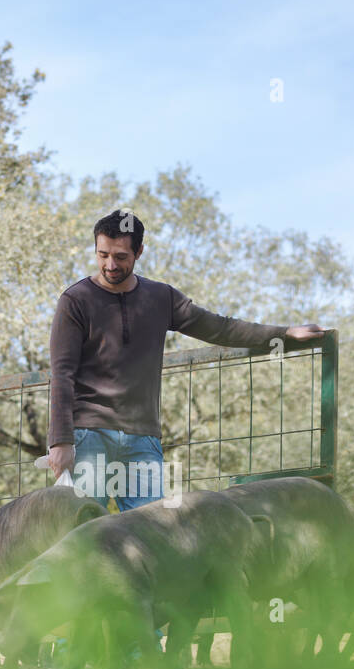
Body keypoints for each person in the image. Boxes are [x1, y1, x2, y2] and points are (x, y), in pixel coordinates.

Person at [47, 209, 327, 508]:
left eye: (120, 256)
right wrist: (60, 441)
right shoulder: (75, 301)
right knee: (85, 535)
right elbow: (62, 374)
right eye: (102, 255)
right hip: (89, 436)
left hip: (143, 438)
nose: (110, 265)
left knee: (151, 538)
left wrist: (284, 333)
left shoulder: (161, 298)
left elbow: (220, 327)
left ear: (139, 252)